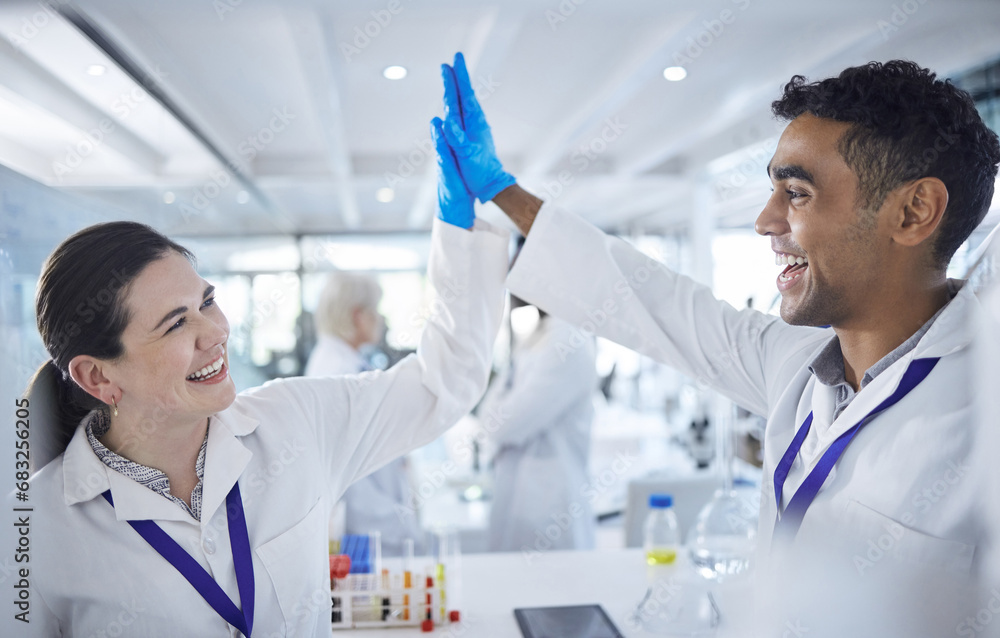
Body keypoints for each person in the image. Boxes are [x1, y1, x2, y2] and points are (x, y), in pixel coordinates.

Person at [433, 53, 1000, 635]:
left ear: (913, 212)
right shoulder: (796, 367)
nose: (764, 220)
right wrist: (502, 191)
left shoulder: (983, 417)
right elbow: (653, 301)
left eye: (797, 193)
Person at [21, 115, 510, 636]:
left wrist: (460, 231)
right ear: (98, 377)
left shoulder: (297, 422)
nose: (214, 332)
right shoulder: (34, 531)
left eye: (207, 301)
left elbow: (441, 382)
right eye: (174, 324)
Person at [305, 271, 422, 557]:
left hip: (376, 525)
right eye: (376, 311)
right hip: (372, 532)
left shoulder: (341, 364)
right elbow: (351, 483)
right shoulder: (341, 376)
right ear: (359, 315)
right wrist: (399, 524)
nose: (381, 319)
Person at [478, 292, 597, 552]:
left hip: (550, 507)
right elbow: (488, 417)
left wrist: (496, 417)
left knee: (554, 588)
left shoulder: (568, 340)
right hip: (520, 499)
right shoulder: (538, 334)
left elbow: (503, 425)